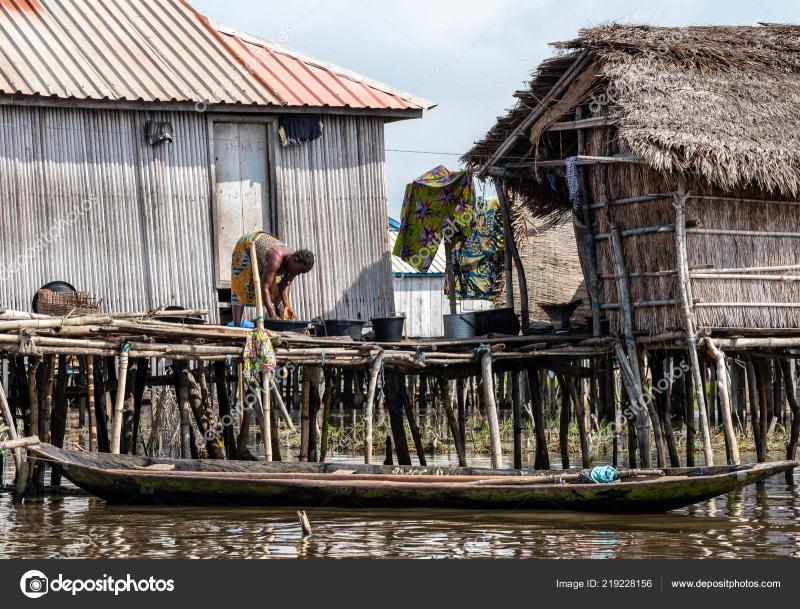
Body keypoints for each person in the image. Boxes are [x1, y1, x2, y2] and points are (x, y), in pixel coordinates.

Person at [230, 230, 314, 326]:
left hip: (264, 256)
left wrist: (287, 305)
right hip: (247, 246)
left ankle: (278, 325)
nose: (298, 274)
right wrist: (272, 314)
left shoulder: (295, 263)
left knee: (276, 293)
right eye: (299, 271)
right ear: (294, 260)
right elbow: (264, 287)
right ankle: (237, 326)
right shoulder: (276, 257)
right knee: (241, 286)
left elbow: (284, 285)